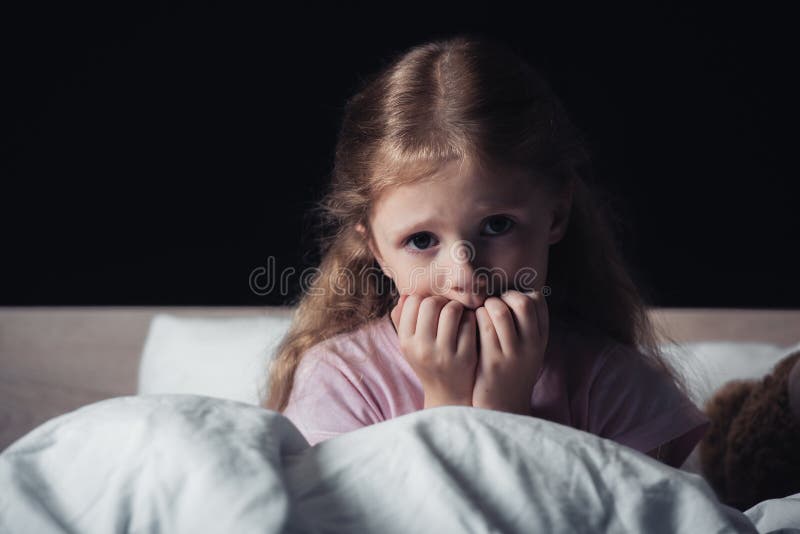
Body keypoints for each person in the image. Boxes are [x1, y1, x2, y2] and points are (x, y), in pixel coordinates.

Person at [261, 34, 709, 469]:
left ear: (555, 216)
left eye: (497, 225)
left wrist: (505, 412)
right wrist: (448, 405)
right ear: (375, 247)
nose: (464, 273)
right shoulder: (342, 379)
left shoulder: (611, 383)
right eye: (421, 240)